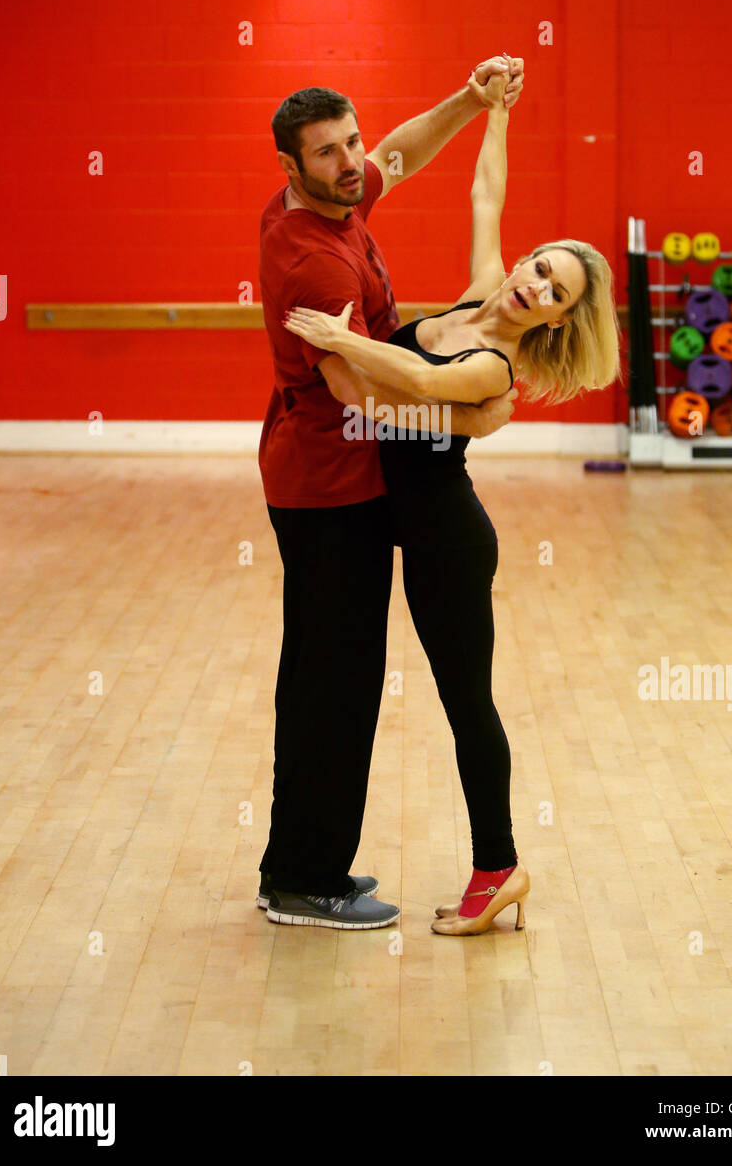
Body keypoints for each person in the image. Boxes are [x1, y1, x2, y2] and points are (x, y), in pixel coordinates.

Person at [283, 64, 622, 934]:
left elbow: (406, 373)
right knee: (400, 682)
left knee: (465, 699)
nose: (534, 285)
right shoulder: (482, 287)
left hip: (444, 535)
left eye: (554, 293)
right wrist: (495, 111)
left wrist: (340, 339)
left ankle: (498, 868)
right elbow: (485, 194)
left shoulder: (494, 367)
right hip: (387, 509)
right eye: (541, 266)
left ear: (554, 321)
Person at [257, 54, 525, 930]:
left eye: (351, 143)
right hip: (331, 488)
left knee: (333, 676)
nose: (351, 162)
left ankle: (310, 861)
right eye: (328, 153)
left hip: (341, 477)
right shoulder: (313, 264)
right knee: (332, 682)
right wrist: (471, 419)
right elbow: (358, 394)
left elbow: (402, 156)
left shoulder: (331, 200)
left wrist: (469, 96)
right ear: (289, 168)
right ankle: (303, 880)